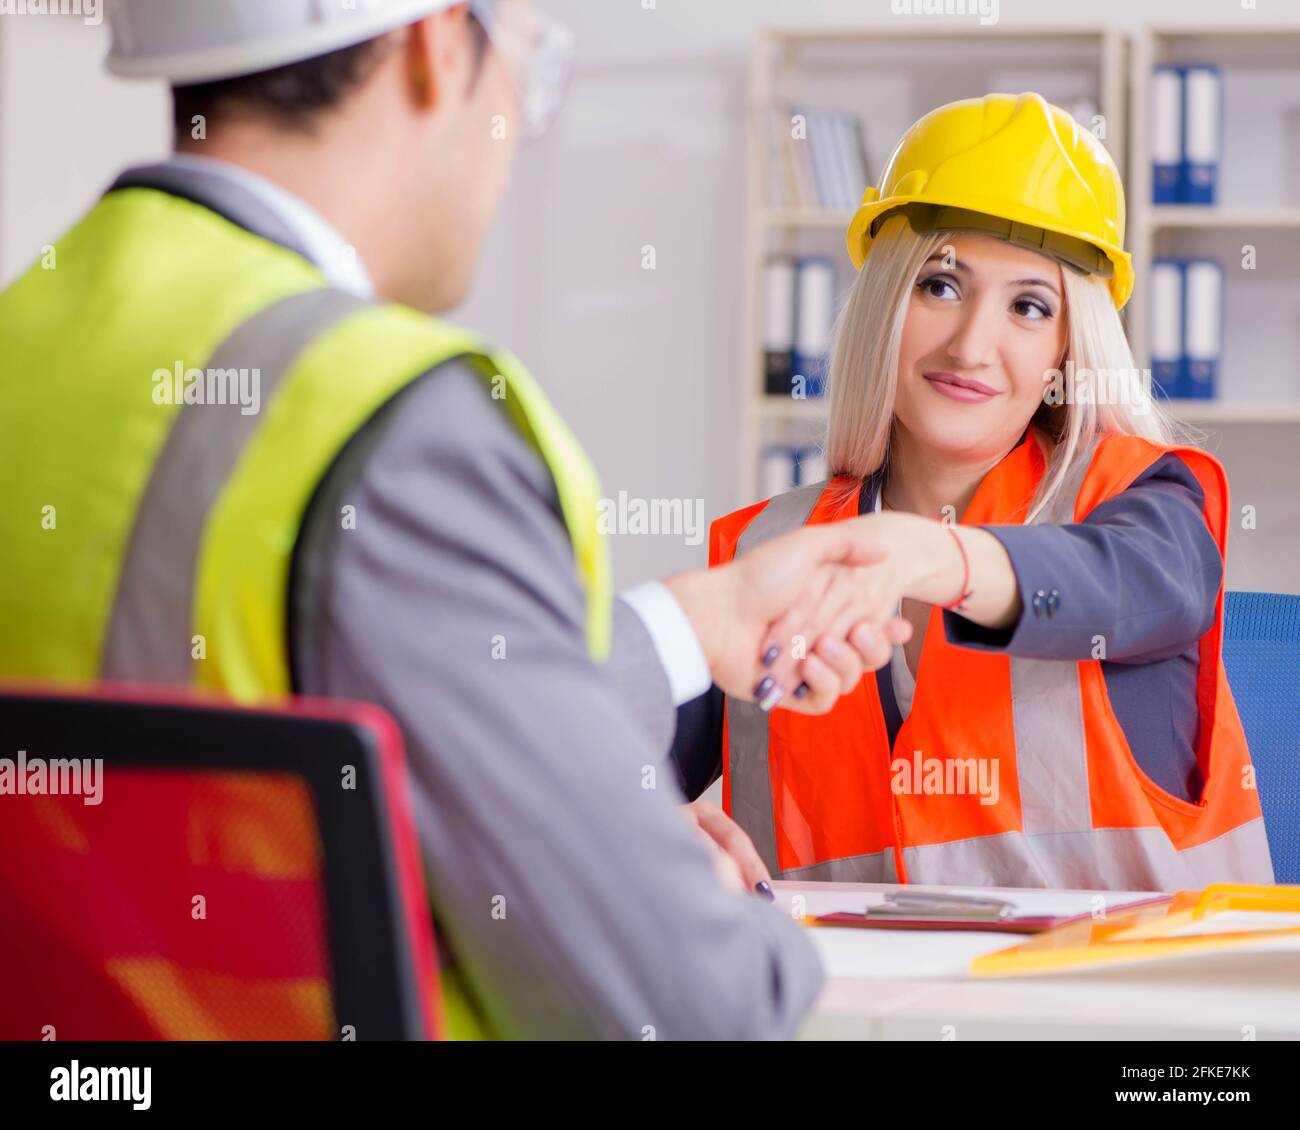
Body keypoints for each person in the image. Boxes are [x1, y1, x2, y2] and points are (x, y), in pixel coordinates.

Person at [0, 0, 915, 1038]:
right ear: (437, 46)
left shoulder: (28, 339)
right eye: (530, 66)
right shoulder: (394, 421)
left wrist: (683, 629)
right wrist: (724, 904)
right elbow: (689, 1003)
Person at [671, 92, 1274, 893]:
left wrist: (925, 551)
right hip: (850, 1011)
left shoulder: (1146, 506)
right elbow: (580, 748)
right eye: (940, 286)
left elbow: (1126, 585)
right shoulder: (765, 554)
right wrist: (636, 809)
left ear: (1069, 347)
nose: (971, 344)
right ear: (885, 302)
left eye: (1029, 306)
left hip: (1122, 1009)